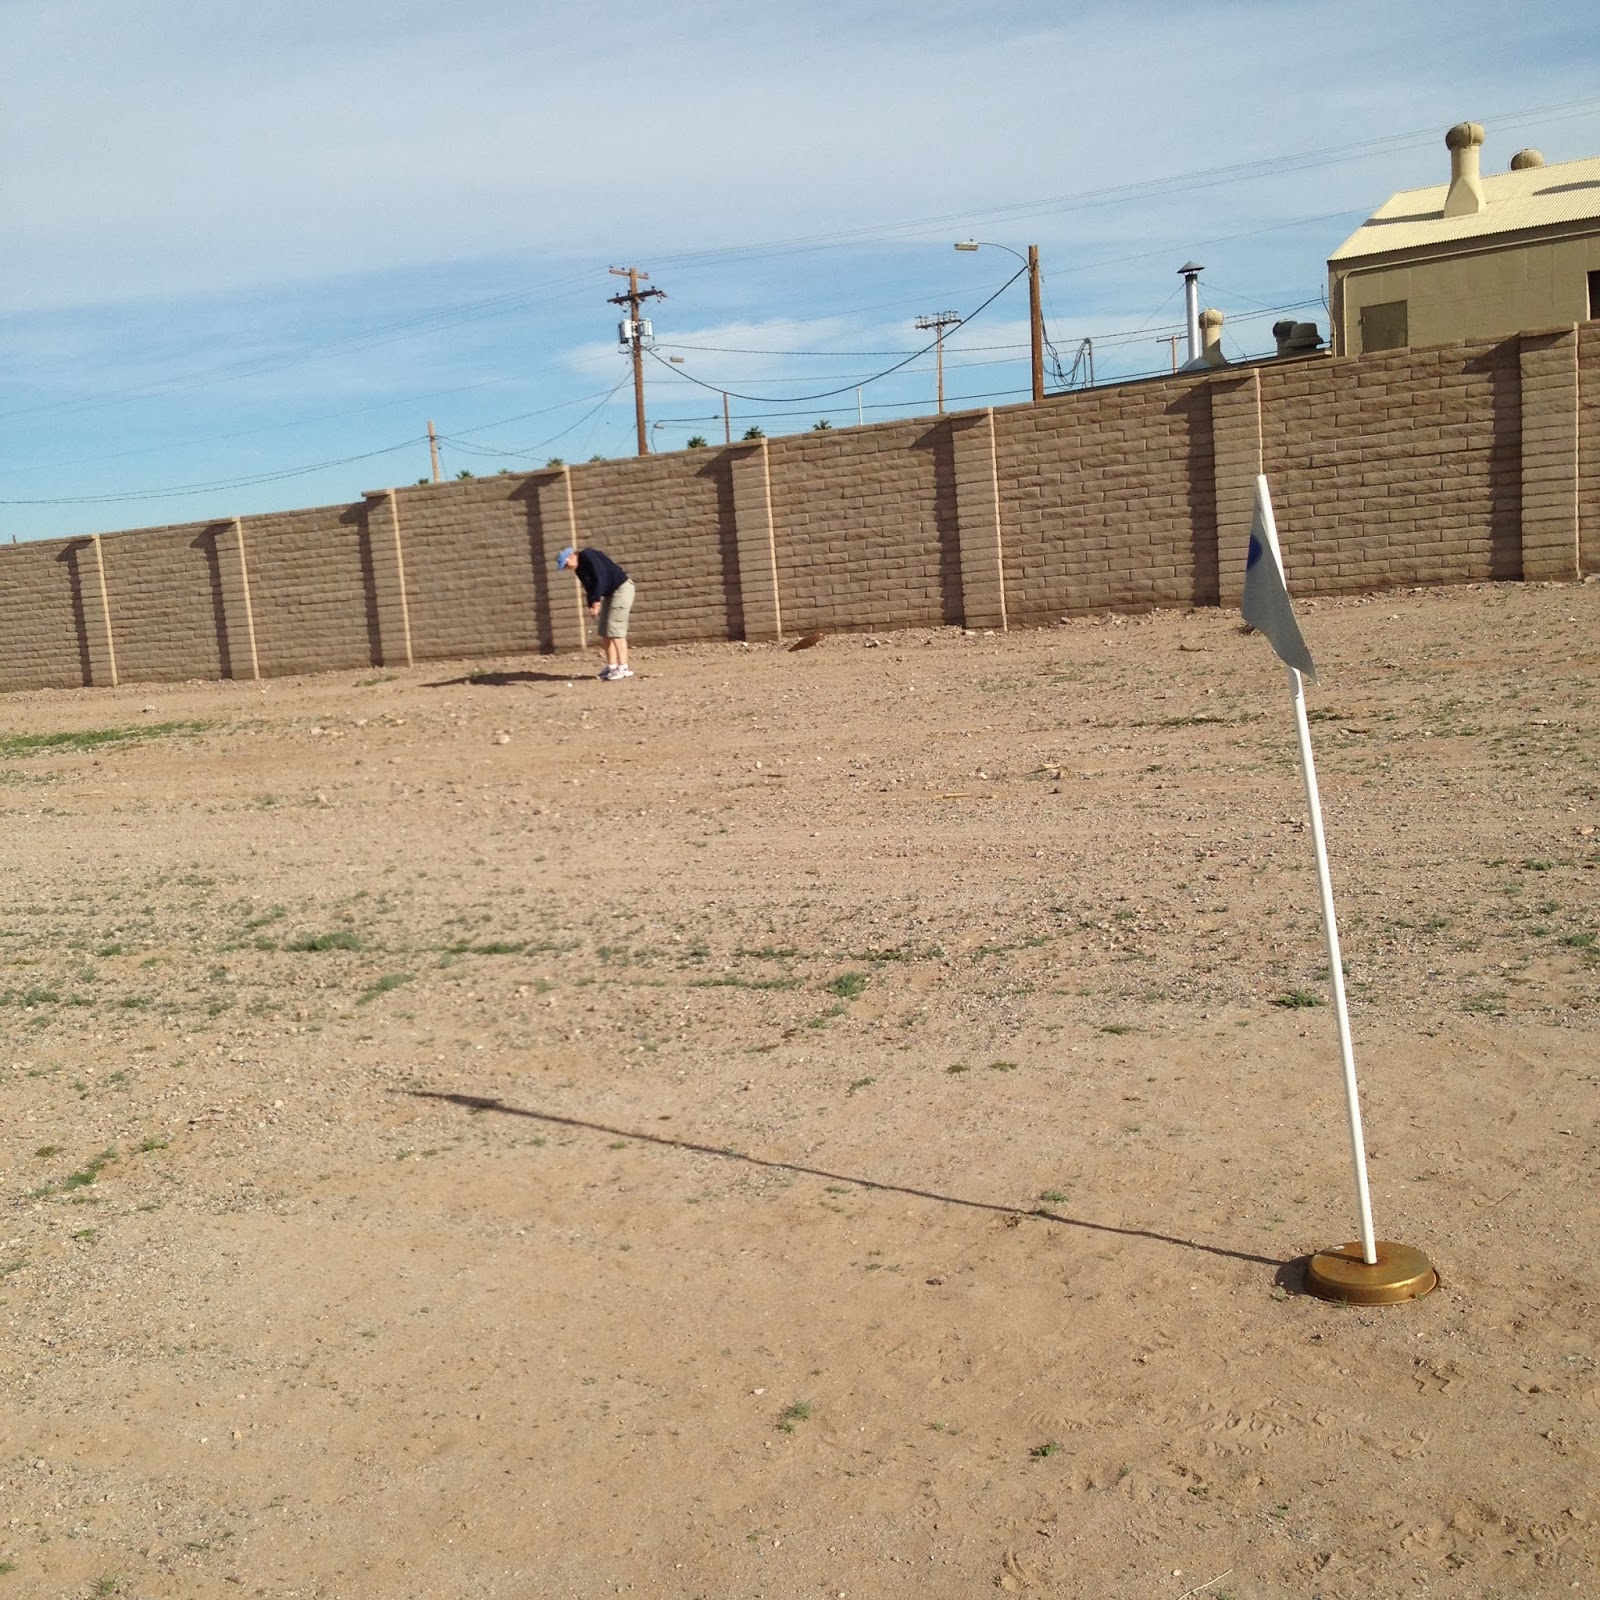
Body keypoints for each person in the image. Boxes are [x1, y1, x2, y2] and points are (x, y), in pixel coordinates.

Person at [555, 545, 635, 681]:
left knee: (615, 629)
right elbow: (589, 587)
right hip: (610, 594)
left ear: (571, 557)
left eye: (566, 565)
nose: (567, 568)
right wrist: (591, 604)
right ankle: (612, 667)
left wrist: (597, 601)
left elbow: (600, 577)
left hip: (622, 589)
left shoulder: (588, 555)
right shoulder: (579, 570)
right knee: (604, 630)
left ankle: (623, 667)